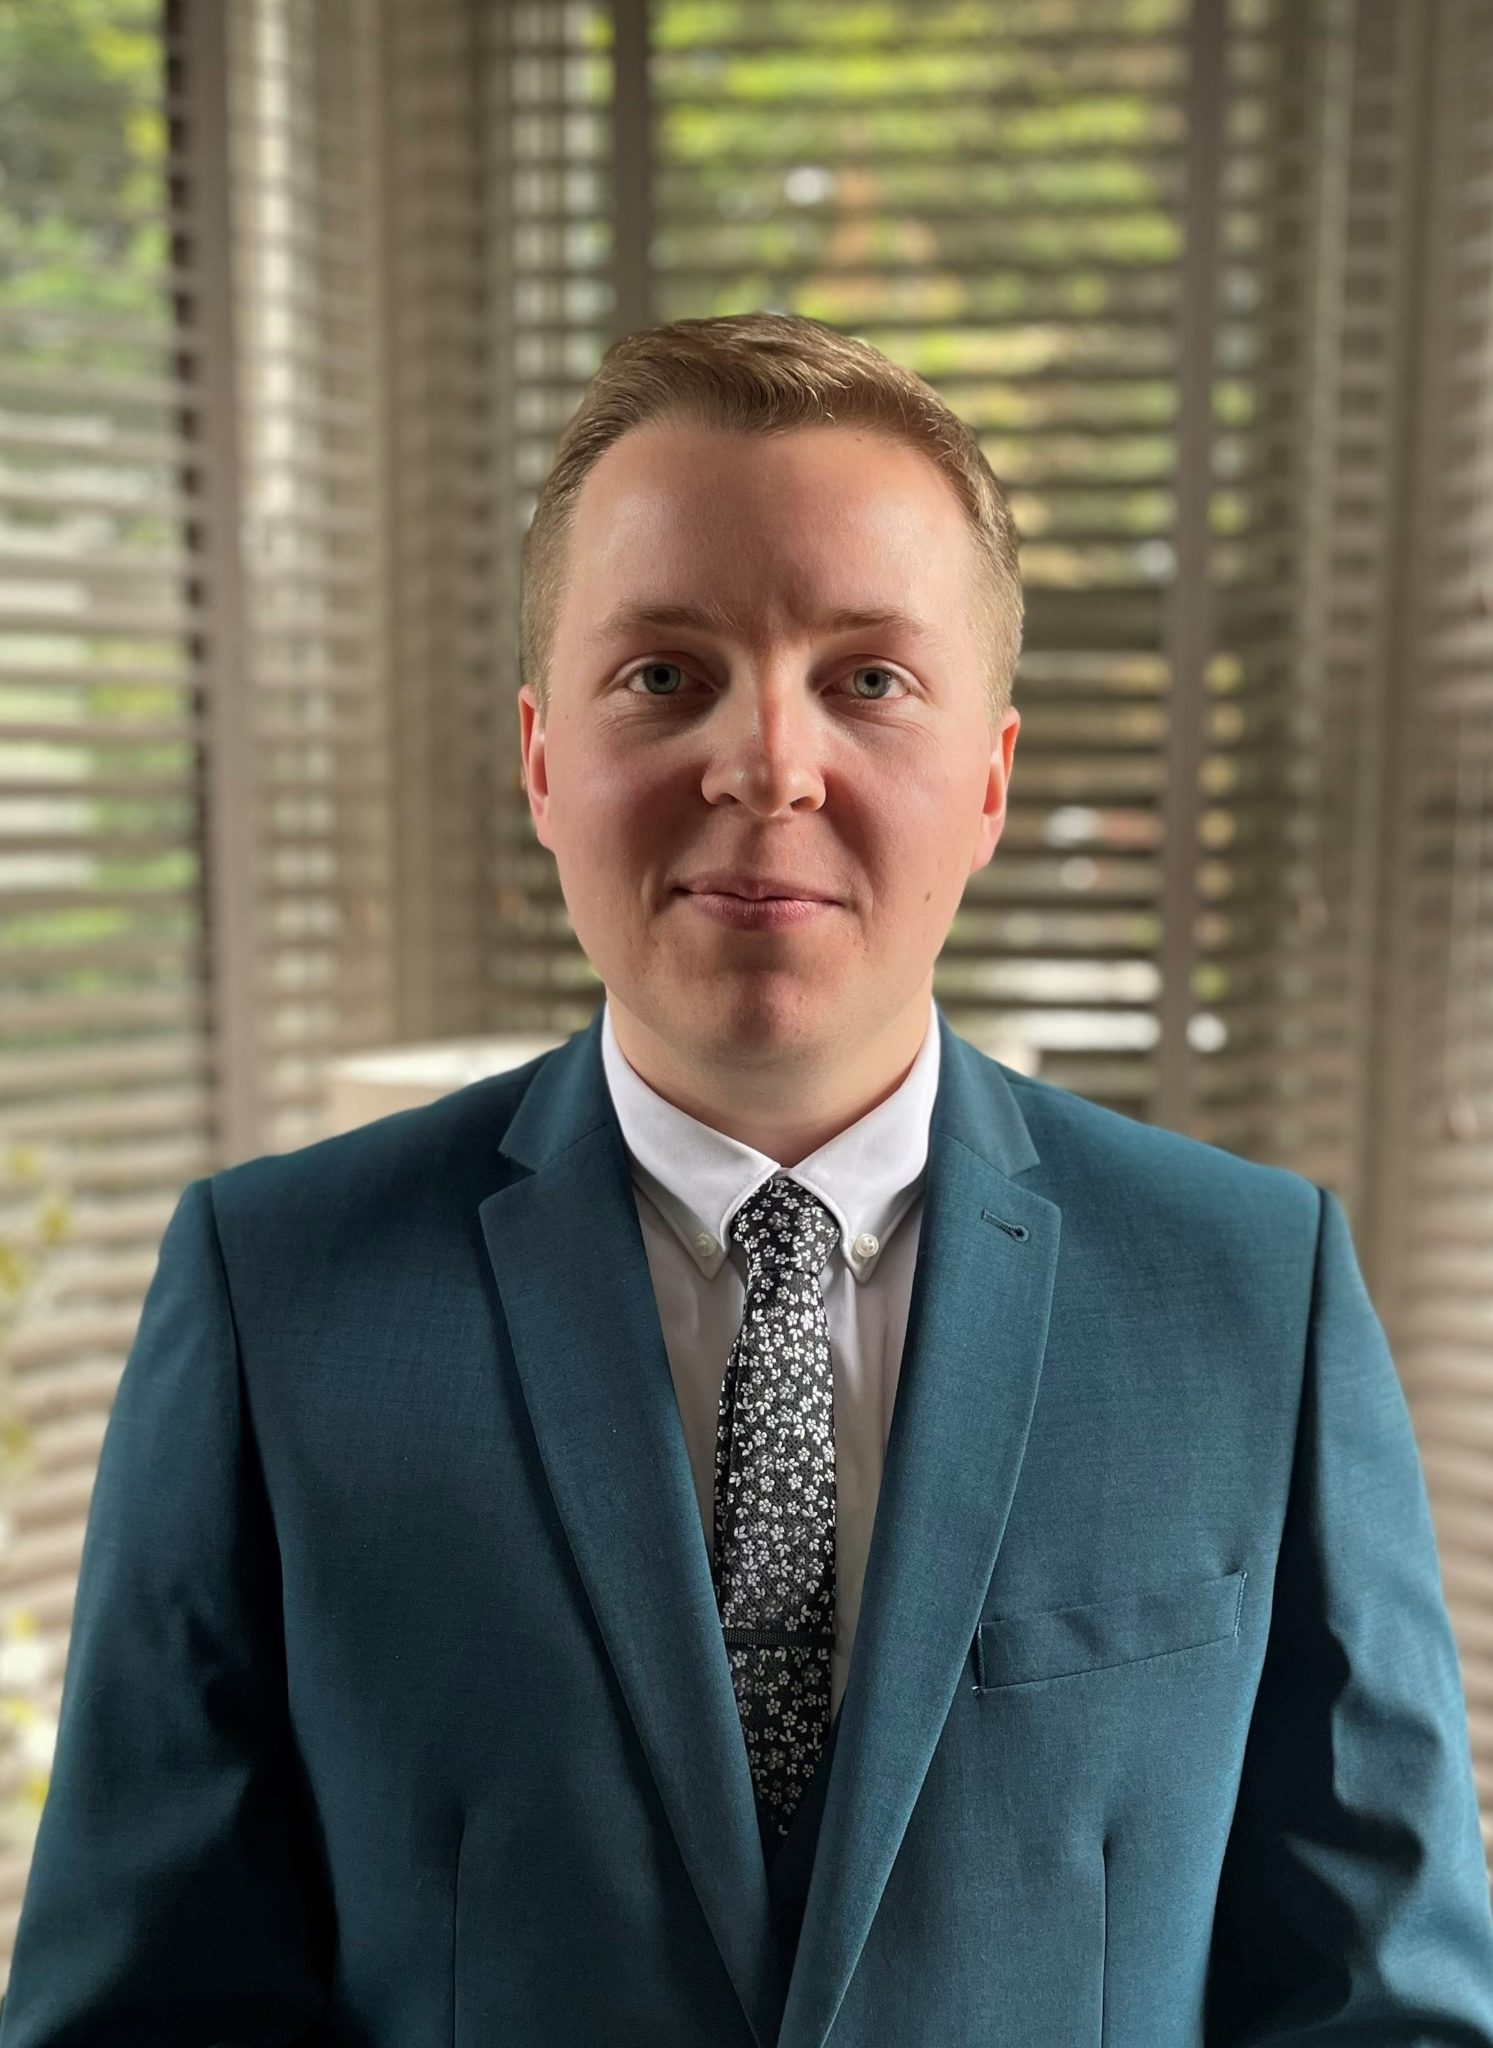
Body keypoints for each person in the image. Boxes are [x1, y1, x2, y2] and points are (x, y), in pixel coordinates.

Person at [3, 311, 1492, 2048]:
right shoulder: (278, 1294)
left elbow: (1380, 2008)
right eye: (663, 675)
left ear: (990, 778)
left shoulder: (1250, 1289)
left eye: (867, 681)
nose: (765, 764)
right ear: (541, 759)